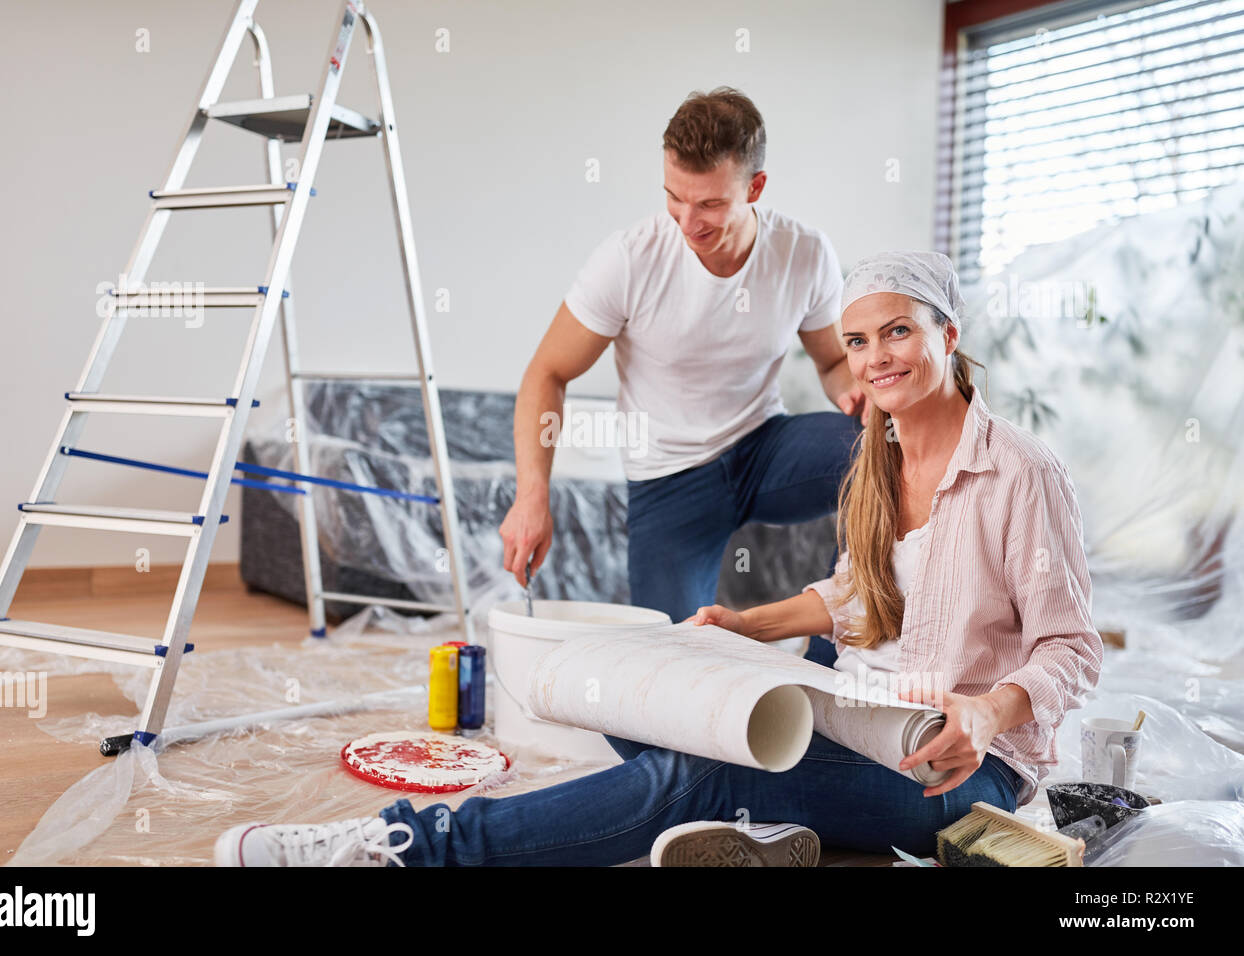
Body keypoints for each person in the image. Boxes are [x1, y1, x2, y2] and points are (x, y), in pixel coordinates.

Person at [214, 251, 1104, 867]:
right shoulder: (876, 451)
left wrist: (988, 718)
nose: (875, 360)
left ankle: (405, 847)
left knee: (697, 766)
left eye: (899, 333)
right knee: (642, 698)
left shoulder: (1021, 472)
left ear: (948, 335)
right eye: (859, 341)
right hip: (854, 703)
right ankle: (758, 828)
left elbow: (1072, 647)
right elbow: (857, 594)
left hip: (948, 763)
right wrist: (742, 625)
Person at [497, 87, 865, 626]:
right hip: (669, 476)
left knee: (879, 451)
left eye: (711, 204)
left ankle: (836, 670)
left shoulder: (803, 253)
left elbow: (832, 362)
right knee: (671, 655)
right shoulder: (629, 260)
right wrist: (531, 496)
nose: (688, 222)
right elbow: (546, 373)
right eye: (675, 197)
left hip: (764, 447)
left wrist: (850, 390)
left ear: (755, 187)